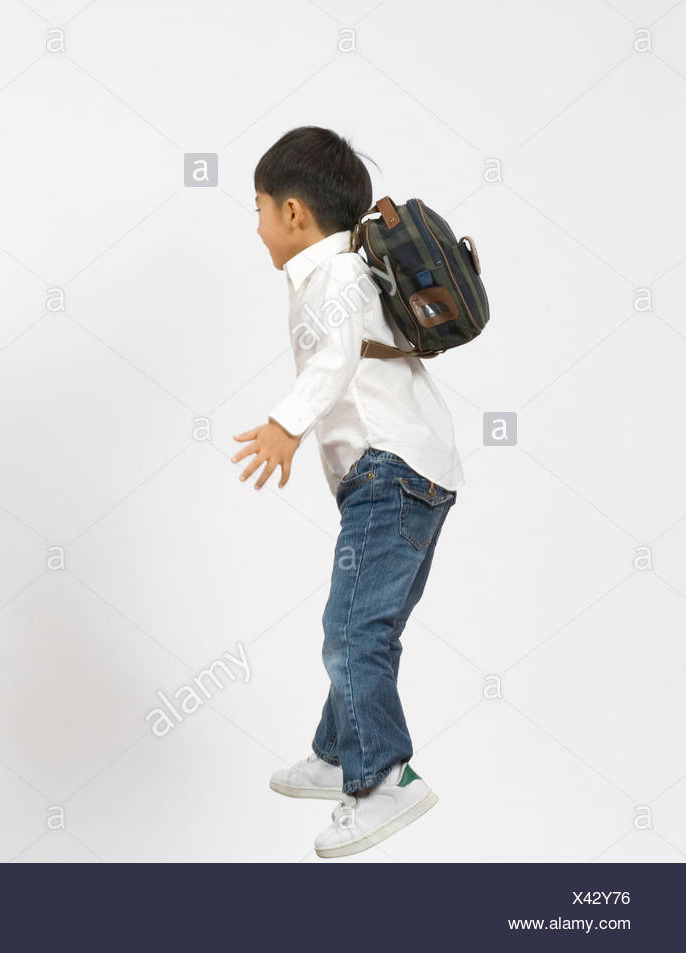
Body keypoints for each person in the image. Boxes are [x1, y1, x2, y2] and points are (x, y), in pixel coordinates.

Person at [230, 126, 463, 857]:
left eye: (258, 208)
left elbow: (333, 359)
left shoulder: (334, 277)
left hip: (391, 474)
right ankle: (338, 754)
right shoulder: (348, 273)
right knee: (366, 626)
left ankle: (385, 778)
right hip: (412, 473)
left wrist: (286, 425)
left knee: (352, 631)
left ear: (292, 212)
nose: (256, 225)